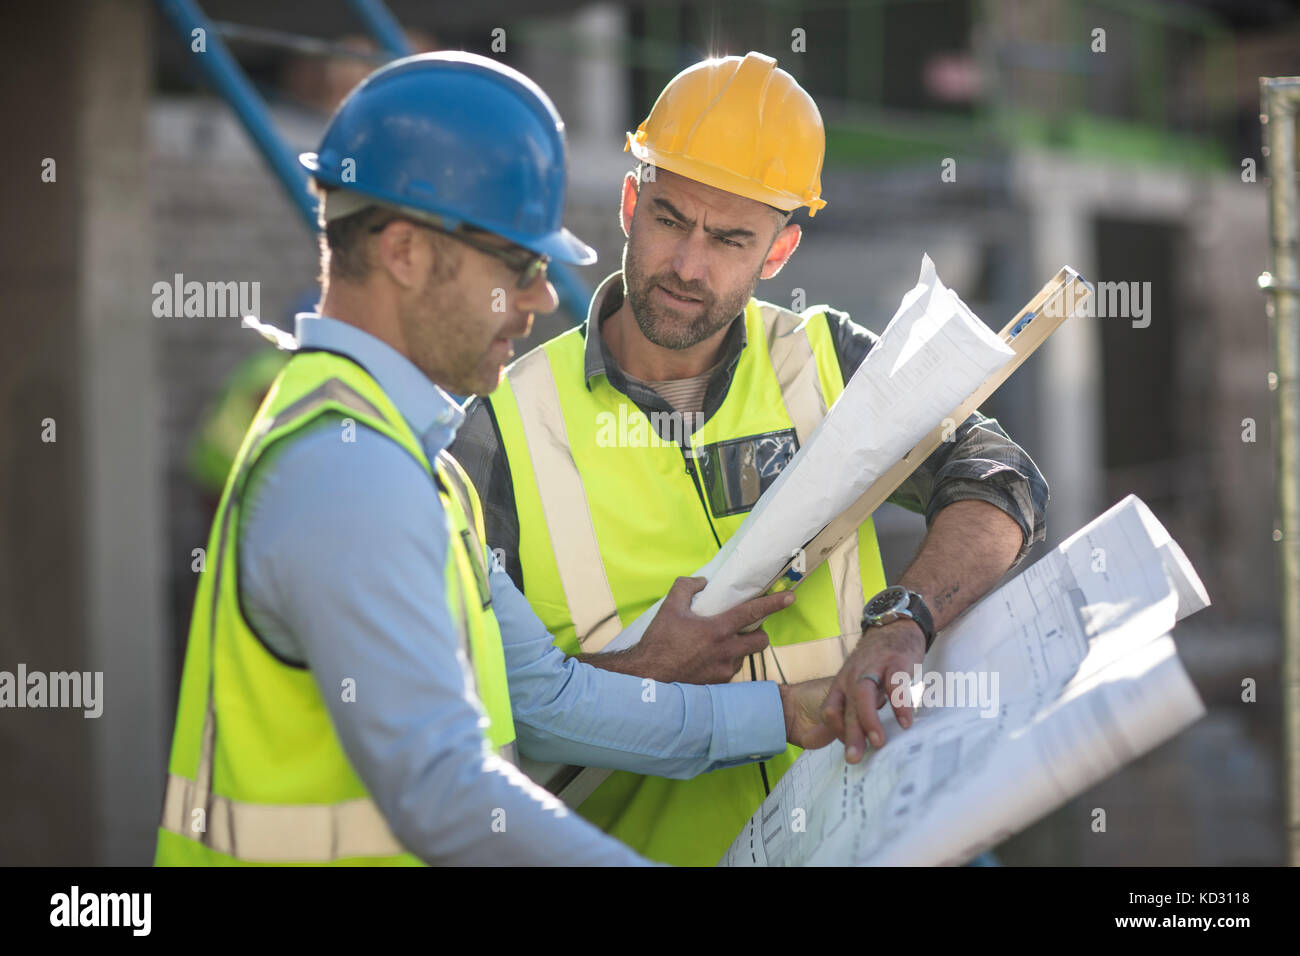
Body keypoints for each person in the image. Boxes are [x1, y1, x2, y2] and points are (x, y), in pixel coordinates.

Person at [155, 51, 835, 867]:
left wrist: (786, 716)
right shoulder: (349, 474)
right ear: (404, 251)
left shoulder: (409, 457)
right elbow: (444, 791)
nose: (543, 297)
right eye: (519, 263)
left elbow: (547, 697)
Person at [450, 51, 1049, 865]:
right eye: (669, 220)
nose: (689, 267)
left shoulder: (829, 360)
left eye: (730, 239)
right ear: (631, 200)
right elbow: (466, 713)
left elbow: (1000, 479)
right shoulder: (501, 423)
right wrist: (638, 671)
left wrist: (906, 620)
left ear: (779, 251)